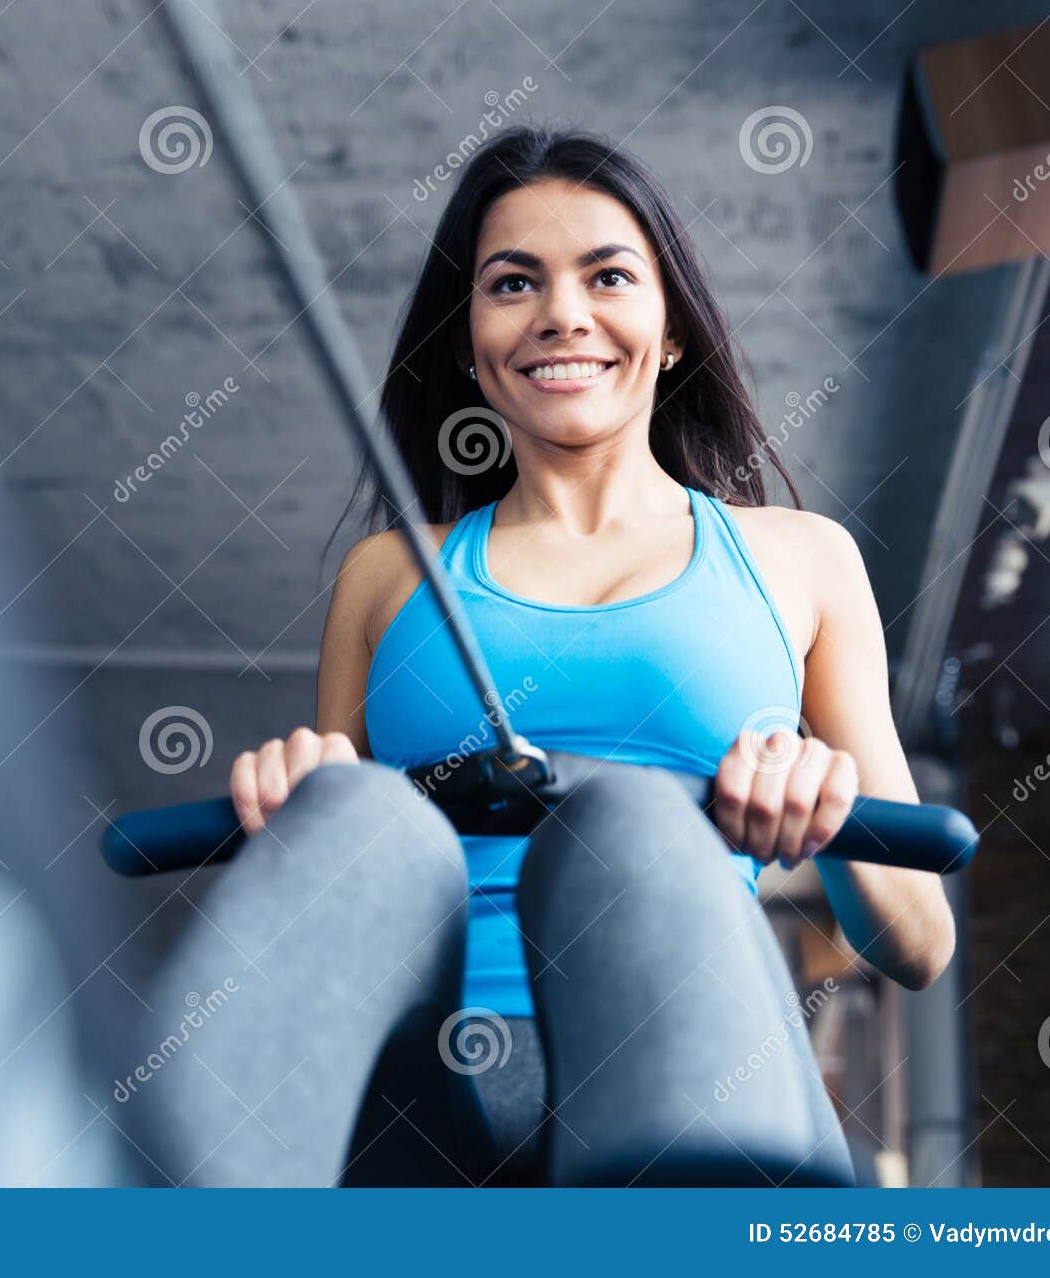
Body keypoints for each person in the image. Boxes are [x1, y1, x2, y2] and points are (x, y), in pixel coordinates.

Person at [134, 126, 956, 1189]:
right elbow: (343, 871)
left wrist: (825, 813)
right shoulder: (389, 576)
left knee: (630, 825)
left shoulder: (800, 558)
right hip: (422, 1094)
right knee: (360, 816)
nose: (562, 313)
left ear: (670, 330)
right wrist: (301, 796)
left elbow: (918, 942)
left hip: (676, 1057)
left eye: (607, 276)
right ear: (470, 344)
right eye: (513, 283)